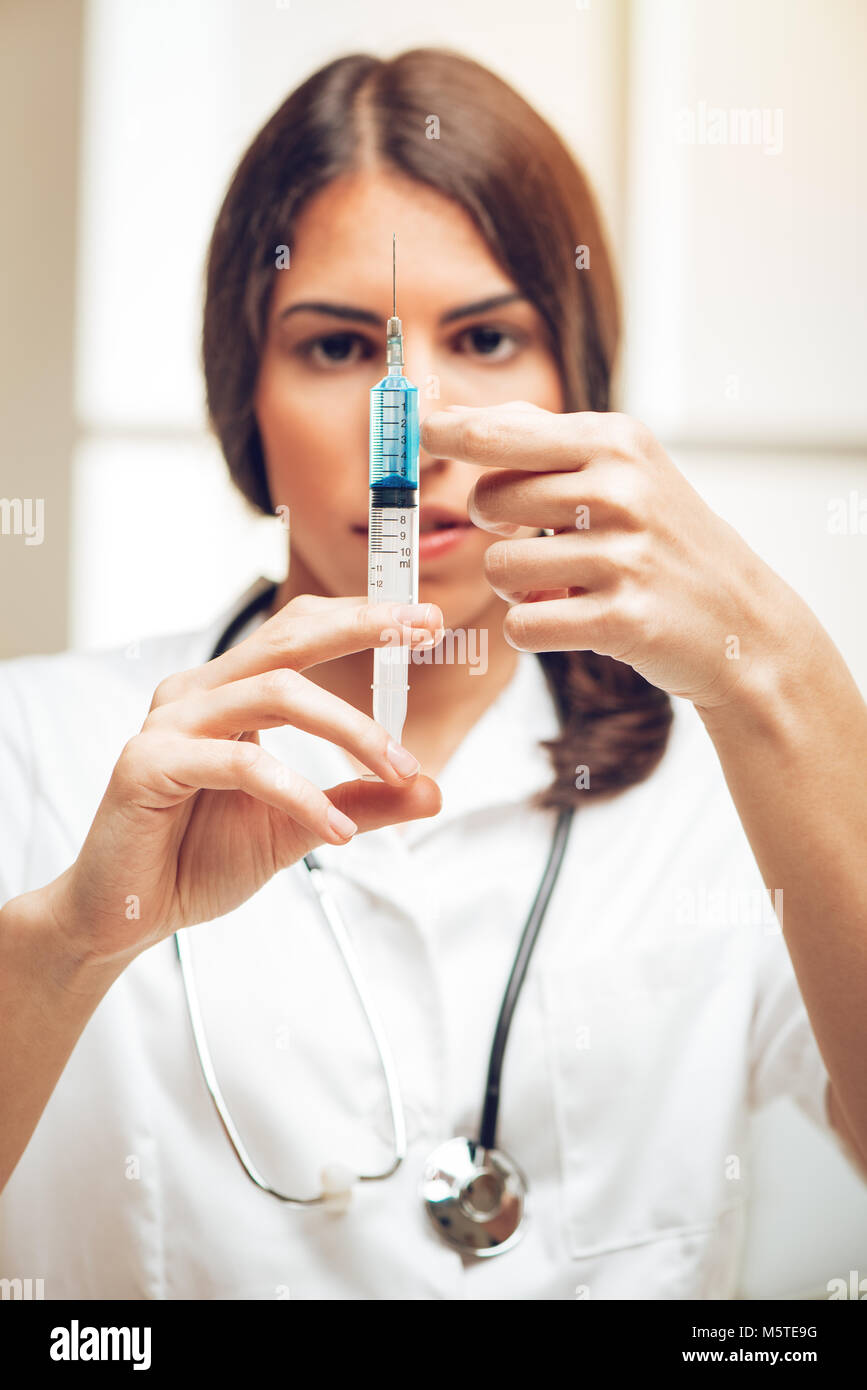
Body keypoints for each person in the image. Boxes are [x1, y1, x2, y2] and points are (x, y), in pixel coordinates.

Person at [0, 47, 865, 1302]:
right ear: (242, 387)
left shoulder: (729, 784)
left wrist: (774, 663)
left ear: (578, 377)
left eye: (488, 335)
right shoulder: (32, 746)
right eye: (340, 345)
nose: (417, 418)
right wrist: (70, 942)